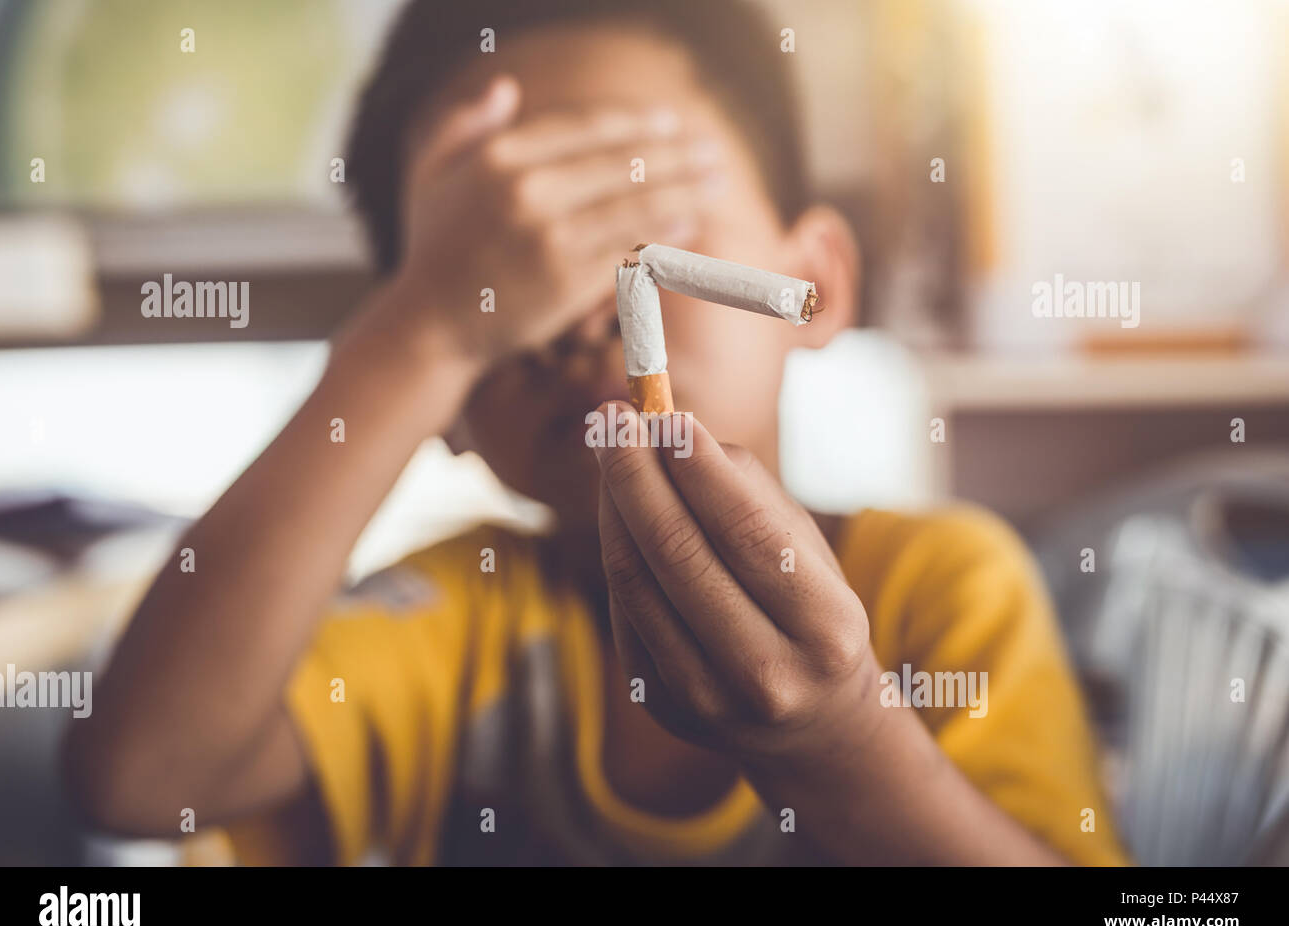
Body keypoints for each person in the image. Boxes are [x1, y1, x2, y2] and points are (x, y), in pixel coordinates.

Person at [65, 0, 1127, 865]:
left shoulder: (943, 589)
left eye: (633, 218)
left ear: (814, 284)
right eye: (498, 272)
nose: (581, 313)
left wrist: (842, 739)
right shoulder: (454, 621)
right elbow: (142, 776)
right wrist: (425, 329)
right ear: (440, 405)